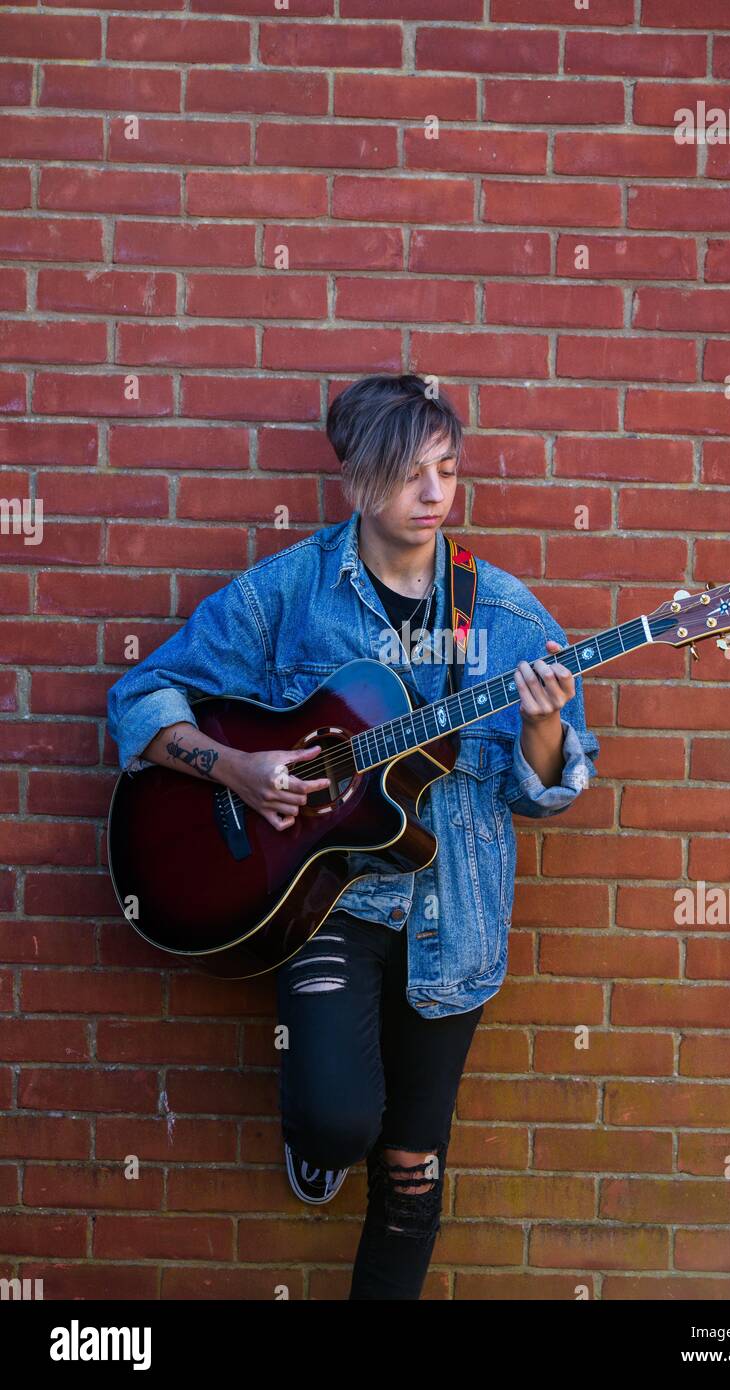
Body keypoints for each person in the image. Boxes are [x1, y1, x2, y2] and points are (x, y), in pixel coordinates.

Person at [106, 372, 600, 1299]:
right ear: (357, 482)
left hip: (455, 924)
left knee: (413, 1171)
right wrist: (237, 768)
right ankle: (321, 1145)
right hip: (319, 900)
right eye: (409, 474)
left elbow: (550, 787)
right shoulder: (289, 593)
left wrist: (541, 726)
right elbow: (140, 698)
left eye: (447, 472)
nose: (432, 495)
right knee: (339, 1121)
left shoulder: (502, 616)